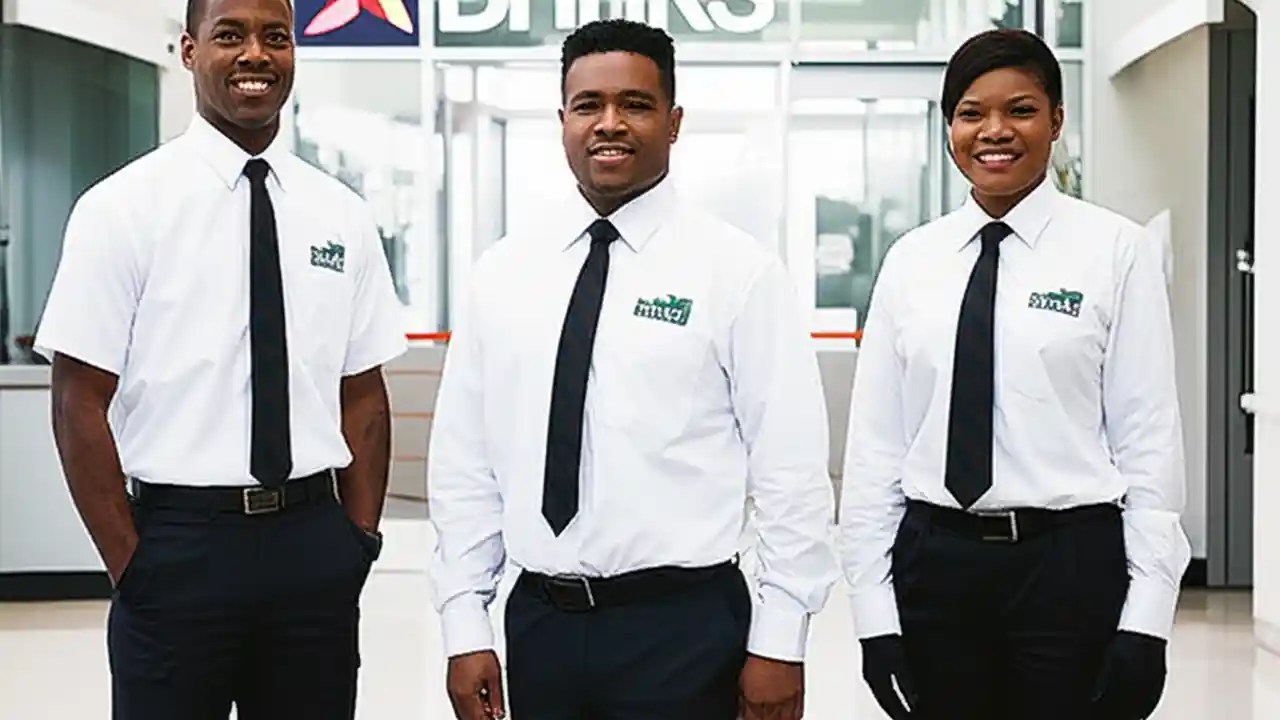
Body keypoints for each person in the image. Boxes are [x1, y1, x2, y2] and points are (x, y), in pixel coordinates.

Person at [427, 18, 840, 720]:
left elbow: (789, 471)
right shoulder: (502, 274)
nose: (609, 123)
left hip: (685, 628)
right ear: (562, 121)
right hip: (542, 625)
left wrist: (781, 640)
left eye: (636, 105)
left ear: (674, 122)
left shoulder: (737, 273)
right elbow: (465, 466)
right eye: (588, 105)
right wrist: (465, 623)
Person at [34, 0, 407, 716]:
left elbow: (362, 392)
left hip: (312, 547)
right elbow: (77, 399)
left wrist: (355, 540)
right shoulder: (122, 210)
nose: (255, 55)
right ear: (187, 51)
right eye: (229, 35)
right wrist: (131, 562)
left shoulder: (342, 214)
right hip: (177, 546)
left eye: (276, 36)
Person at [838, 28, 1189, 720]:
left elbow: (1149, 442)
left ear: (1057, 120)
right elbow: (876, 448)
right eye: (971, 113)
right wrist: (874, 616)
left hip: (1068, 565)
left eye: (1020, 110)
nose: (994, 131)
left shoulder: (1115, 251)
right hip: (936, 564)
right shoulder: (913, 260)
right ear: (949, 127)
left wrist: (1147, 621)